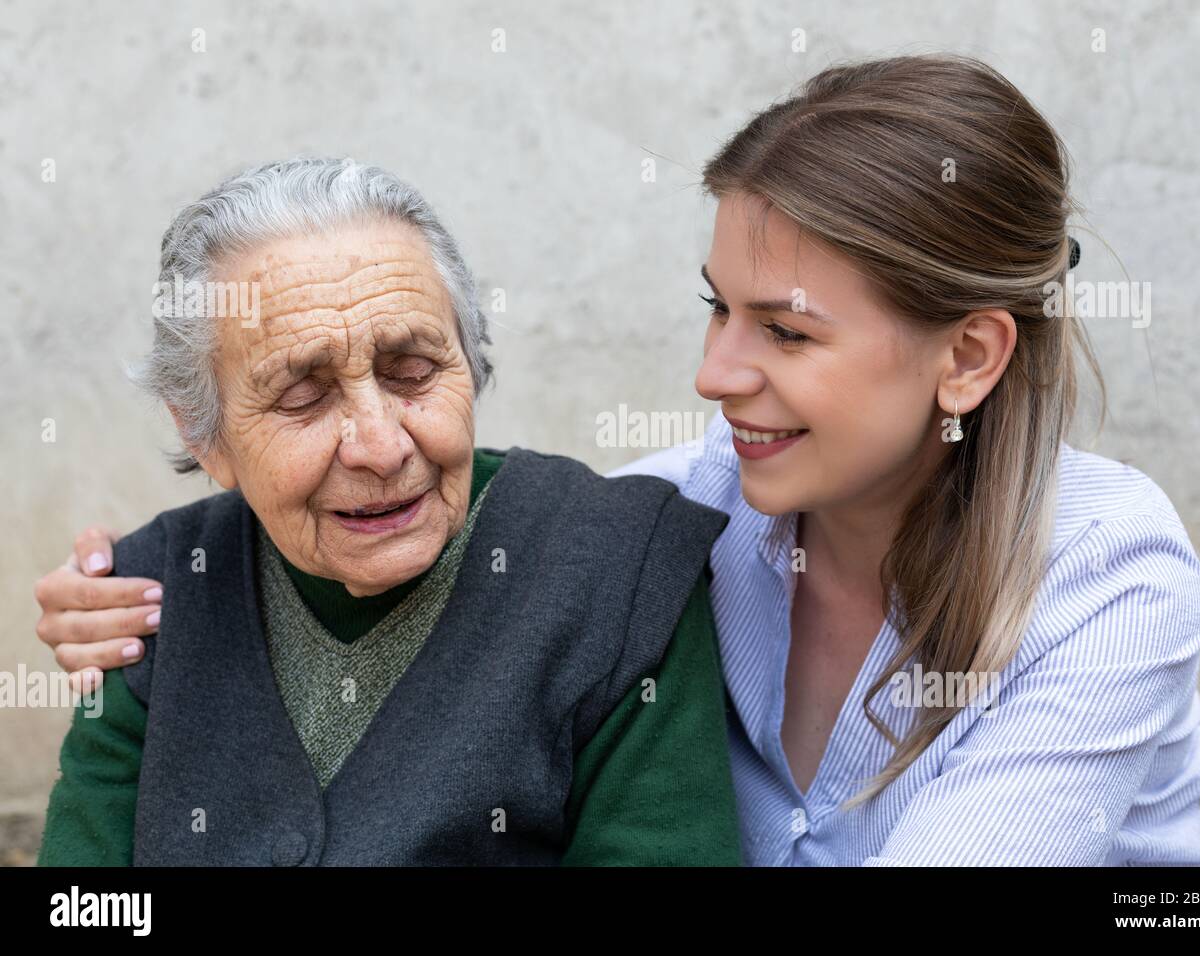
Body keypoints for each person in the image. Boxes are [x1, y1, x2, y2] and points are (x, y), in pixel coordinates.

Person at [36, 56, 1200, 866]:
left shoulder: (1103, 571)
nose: (714, 372)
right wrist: (138, 589)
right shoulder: (668, 520)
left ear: (968, 355)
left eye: (782, 331)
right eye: (715, 309)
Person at [34, 157, 742, 866]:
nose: (380, 445)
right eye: (303, 397)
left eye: (413, 372)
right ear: (203, 433)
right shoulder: (148, 599)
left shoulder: (623, 570)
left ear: (469, 361)